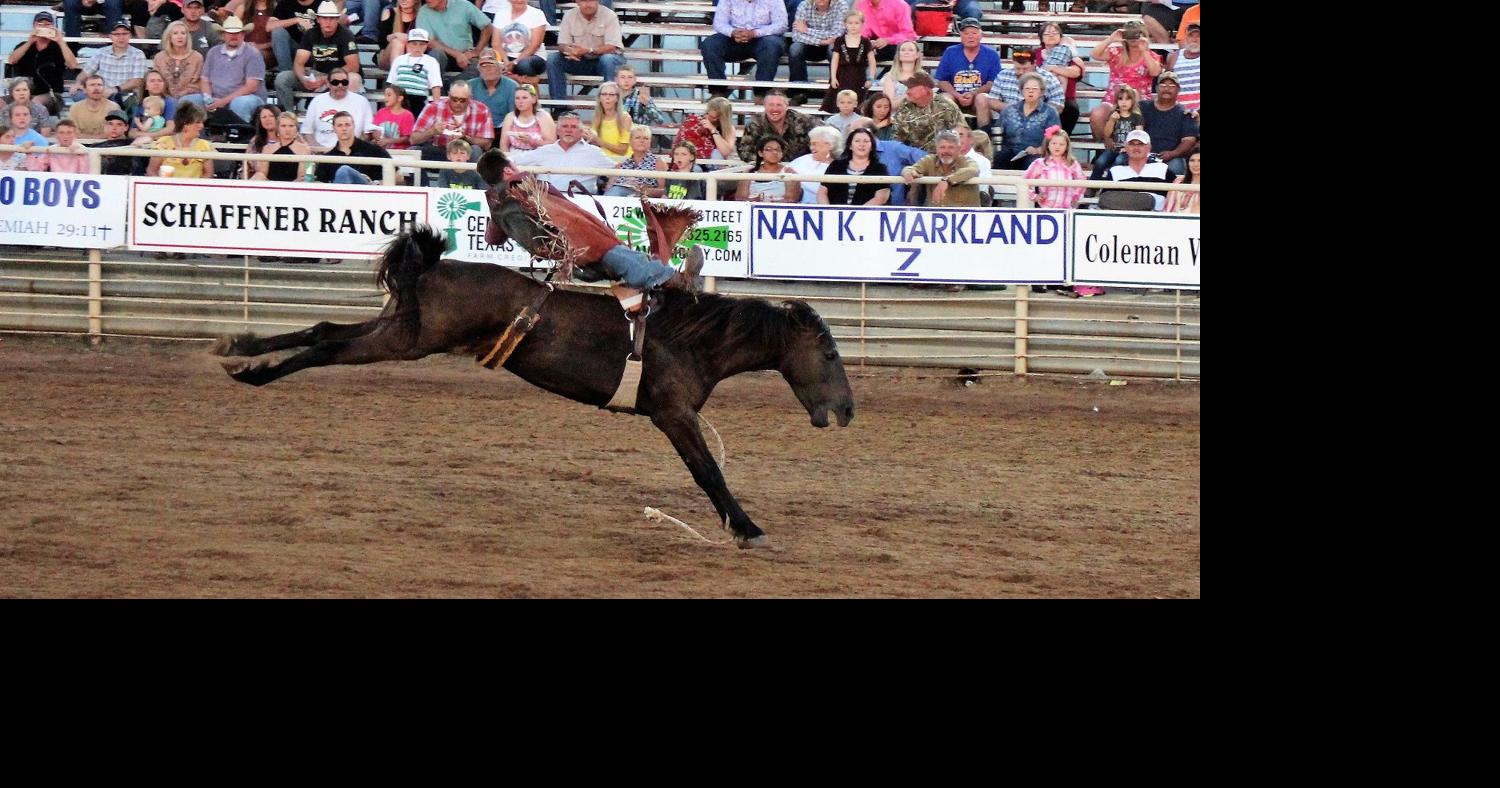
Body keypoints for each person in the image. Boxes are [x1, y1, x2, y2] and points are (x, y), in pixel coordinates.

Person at [481, 147, 704, 315]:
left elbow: (492, 240)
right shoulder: (529, 186)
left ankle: (643, 298)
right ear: (508, 170)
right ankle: (677, 281)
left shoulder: (497, 207)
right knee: (616, 252)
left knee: (619, 255)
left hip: (563, 257)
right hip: (581, 248)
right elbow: (564, 209)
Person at [1023, 125, 1094, 295]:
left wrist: (1075, 199)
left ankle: (1058, 280)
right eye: (1054, 143)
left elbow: (1081, 181)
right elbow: (1025, 182)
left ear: (1066, 146)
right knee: (1042, 247)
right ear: (1048, 144)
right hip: (1046, 211)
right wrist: (1035, 196)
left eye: (1061, 144)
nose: (1057, 147)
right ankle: (1038, 279)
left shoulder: (1072, 164)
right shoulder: (1040, 164)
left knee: (1062, 247)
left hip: (1065, 211)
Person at [276, 1, 361, 112]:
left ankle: (346, 117)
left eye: (332, 18)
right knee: (282, 78)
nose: (328, 22)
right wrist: (303, 78)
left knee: (353, 78)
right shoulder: (311, 34)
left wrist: (328, 78)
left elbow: (353, 66)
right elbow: (298, 63)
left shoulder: (346, 35)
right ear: (318, 19)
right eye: (324, 18)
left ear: (337, 20)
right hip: (318, 74)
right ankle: (287, 117)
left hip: (340, 75)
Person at [1087, 19, 1162, 146]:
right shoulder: (1116, 52)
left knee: (1134, 114)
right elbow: (1094, 54)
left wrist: (1144, 50)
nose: (1133, 37)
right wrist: (1111, 39)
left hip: (1139, 100)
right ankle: (1104, 147)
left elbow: (1155, 72)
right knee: (1097, 115)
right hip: (1114, 99)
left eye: (1137, 34)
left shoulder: (1151, 55)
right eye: (1130, 34)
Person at [507, 110, 613, 193]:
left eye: (574, 127)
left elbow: (617, 169)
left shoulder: (594, 153)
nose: (569, 130)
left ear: (581, 132)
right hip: (548, 201)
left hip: (583, 202)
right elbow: (512, 162)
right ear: (557, 131)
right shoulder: (544, 151)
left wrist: (610, 186)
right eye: (564, 126)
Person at [701, 0, 787, 101]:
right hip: (734, 37)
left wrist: (755, 33)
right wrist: (733, 32)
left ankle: (762, 93)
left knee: (772, 45)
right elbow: (719, 23)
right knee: (710, 44)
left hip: (763, 38)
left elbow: (781, 25)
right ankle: (718, 91)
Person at [186, 16, 266, 123]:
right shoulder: (213, 52)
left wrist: (223, 101)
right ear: (223, 35)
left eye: (237, 33)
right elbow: (205, 80)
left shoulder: (253, 54)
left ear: (243, 35)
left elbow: (251, 86)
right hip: (215, 97)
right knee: (187, 101)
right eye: (229, 33)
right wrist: (208, 99)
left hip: (247, 97)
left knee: (240, 103)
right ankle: (194, 136)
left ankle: (240, 136)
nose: (234, 36)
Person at [410, 79, 494, 177]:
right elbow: (413, 139)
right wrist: (432, 131)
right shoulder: (433, 107)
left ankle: (471, 185)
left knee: (476, 150)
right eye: (454, 99)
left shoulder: (482, 110)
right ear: (449, 95)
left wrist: (466, 138)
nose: (458, 103)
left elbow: (487, 143)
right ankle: (421, 187)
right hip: (440, 151)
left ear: (470, 98)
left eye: (462, 100)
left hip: (466, 153)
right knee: (413, 151)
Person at [546, 0, 625, 100]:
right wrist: (569, 50)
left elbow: (612, 46)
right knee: (553, 59)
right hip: (580, 60)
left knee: (608, 59)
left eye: (591, 0)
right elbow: (562, 44)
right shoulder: (569, 15)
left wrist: (589, 50)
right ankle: (559, 105)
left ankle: (610, 102)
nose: (588, 4)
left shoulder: (610, 15)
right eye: (584, 0)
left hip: (603, 62)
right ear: (577, 1)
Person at [6, 11, 79, 114]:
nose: (44, 27)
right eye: (40, 24)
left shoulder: (59, 47)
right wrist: (30, 41)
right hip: (23, 91)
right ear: (34, 26)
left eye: (47, 24)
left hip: (50, 94)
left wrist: (60, 41)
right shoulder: (24, 45)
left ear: (53, 27)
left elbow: (73, 65)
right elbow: (12, 60)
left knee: (36, 103)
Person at [975, 48, 1062, 130]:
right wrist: (1015, 109)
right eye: (1017, 68)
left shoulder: (1048, 78)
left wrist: (1034, 111)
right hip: (1007, 118)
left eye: (1025, 69)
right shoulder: (1003, 75)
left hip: (1038, 120)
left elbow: (1058, 105)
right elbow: (992, 100)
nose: (1021, 72)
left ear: (1034, 64)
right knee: (981, 98)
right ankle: (985, 138)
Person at [933, 17, 1000, 123]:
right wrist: (957, 95)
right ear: (960, 35)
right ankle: (947, 136)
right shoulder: (950, 52)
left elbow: (992, 83)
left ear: (981, 35)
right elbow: (942, 81)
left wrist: (973, 94)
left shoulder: (992, 54)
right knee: (945, 99)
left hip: (977, 97)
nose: (970, 36)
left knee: (983, 98)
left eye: (974, 33)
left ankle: (983, 135)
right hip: (954, 95)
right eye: (966, 33)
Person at [847, 116, 922, 204]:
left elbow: (927, 159)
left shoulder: (894, 148)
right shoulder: (846, 156)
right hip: (852, 210)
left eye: (854, 132)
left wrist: (910, 170)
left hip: (892, 211)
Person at [787, 0, 847, 107]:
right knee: (795, 48)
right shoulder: (804, 5)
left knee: (834, 49)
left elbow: (837, 34)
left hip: (832, 45)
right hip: (810, 45)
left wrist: (807, 30)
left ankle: (833, 91)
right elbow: (796, 35)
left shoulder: (841, 5)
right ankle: (799, 92)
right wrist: (821, 41)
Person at [994, 72, 1058, 170]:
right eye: (1027, 89)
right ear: (1022, 91)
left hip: (1036, 153)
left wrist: (1038, 150)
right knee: (1000, 157)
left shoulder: (1050, 112)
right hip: (1010, 152)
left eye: (1035, 89)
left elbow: (1055, 139)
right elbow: (998, 133)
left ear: (1041, 92)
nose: (1030, 92)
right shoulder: (1009, 110)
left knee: (1033, 162)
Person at [76, 21, 149, 106]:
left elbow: (137, 81)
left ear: (130, 35)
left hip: (124, 93)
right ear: (110, 36)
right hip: (102, 92)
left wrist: (115, 89)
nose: (121, 37)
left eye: (124, 34)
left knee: (121, 98)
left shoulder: (138, 54)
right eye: (117, 34)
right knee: (77, 95)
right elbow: (85, 73)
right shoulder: (102, 52)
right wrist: (78, 83)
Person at [901, 129, 980, 206]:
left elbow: (973, 170)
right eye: (942, 147)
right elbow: (910, 168)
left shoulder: (966, 161)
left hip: (964, 216)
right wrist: (908, 173)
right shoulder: (930, 160)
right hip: (933, 216)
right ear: (936, 149)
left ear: (958, 149)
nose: (946, 151)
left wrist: (947, 180)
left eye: (951, 147)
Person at [301, 67, 376, 147]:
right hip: (323, 153)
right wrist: (319, 152)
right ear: (328, 83)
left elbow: (368, 132)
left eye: (344, 82)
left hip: (353, 154)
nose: (340, 85)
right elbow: (307, 132)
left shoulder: (362, 102)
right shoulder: (317, 101)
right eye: (335, 82)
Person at [891, 71, 964, 153]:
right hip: (909, 155)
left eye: (910, 88)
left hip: (939, 156)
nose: (907, 92)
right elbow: (897, 137)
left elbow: (961, 134)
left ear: (925, 89)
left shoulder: (946, 106)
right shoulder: (905, 105)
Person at [1034, 20, 1085, 137]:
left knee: (1070, 110)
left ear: (1061, 37)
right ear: (1041, 38)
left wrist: (1052, 68)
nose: (1051, 35)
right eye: (1047, 33)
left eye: (1055, 33)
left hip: (1066, 100)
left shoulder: (1067, 52)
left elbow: (1075, 72)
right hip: (1041, 97)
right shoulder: (1035, 53)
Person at [1141, 71, 1198, 177]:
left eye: (1171, 85)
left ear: (1178, 90)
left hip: (1172, 157)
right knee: (1121, 160)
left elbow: (1189, 140)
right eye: (1163, 85)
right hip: (1141, 155)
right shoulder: (1142, 107)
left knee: (1175, 166)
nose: (1166, 89)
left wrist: (1173, 154)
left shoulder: (1185, 113)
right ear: (1156, 88)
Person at [415, 0, 493, 75]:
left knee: (479, 67)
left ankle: (451, 84)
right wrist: (457, 54)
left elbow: (487, 26)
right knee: (435, 55)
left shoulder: (463, 5)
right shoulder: (423, 11)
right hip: (442, 55)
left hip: (466, 55)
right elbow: (430, 42)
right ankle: (447, 84)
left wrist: (477, 50)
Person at [738, 90, 818, 162]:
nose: (775, 109)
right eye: (771, 105)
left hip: (800, 168)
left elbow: (821, 143)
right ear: (764, 106)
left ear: (787, 106)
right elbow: (745, 152)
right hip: (767, 169)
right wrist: (769, 161)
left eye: (779, 105)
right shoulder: (755, 124)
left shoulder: (805, 121)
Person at [316, 110, 393, 183]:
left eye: (347, 125)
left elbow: (398, 176)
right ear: (334, 129)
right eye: (339, 125)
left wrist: (376, 184)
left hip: (366, 194)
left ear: (353, 126)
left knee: (344, 170)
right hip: (339, 195)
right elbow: (320, 184)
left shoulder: (373, 150)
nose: (344, 128)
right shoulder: (328, 158)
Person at [822, 10, 876, 114]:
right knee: (841, 102)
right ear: (845, 24)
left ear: (862, 24)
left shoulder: (865, 41)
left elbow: (872, 62)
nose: (853, 26)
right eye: (850, 23)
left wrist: (871, 78)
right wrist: (833, 77)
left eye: (856, 23)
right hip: (842, 77)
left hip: (859, 77)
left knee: (858, 106)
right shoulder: (840, 40)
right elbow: (834, 60)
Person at [818, 126, 888, 205]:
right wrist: (829, 211)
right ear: (850, 146)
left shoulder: (880, 168)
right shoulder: (836, 165)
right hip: (835, 215)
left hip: (866, 215)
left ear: (872, 146)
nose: (862, 144)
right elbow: (822, 192)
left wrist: (856, 214)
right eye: (857, 141)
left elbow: (881, 197)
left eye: (866, 141)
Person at [1106, 128, 1171, 210]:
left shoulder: (1163, 169)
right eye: (1132, 144)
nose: (1136, 148)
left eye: (1141, 144)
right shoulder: (1114, 171)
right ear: (1126, 147)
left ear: (1149, 147)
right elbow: (1107, 200)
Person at [147, 101, 215, 179]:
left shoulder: (204, 146)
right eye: (198, 122)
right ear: (185, 124)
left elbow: (209, 174)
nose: (202, 126)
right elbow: (152, 171)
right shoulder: (163, 143)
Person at [388, 27, 444, 118]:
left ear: (426, 45)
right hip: (400, 100)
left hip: (419, 100)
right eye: (414, 44)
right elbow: (392, 84)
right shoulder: (399, 60)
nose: (418, 47)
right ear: (408, 44)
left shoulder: (431, 61)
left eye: (422, 44)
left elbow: (435, 86)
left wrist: (436, 108)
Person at [1090, 83, 1140, 179]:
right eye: (1120, 99)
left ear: (1132, 101)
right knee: (1100, 162)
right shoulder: (1114, 114)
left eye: (1127, 99)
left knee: (1118, 162)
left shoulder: (1136, 117)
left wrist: (1130, 146)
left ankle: (1108, 188)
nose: (1124, 102)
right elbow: (1107, 133)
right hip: (1114, 148)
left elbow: (1138, 134)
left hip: (1128, 151)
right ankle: (1092, 186)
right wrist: (1111, 121)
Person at [603, 124, 668, 197]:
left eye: (646, 138)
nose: (642, 141)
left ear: (650, 143)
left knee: (617, 190)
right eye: (638, 138)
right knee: (615, 190)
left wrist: (644, 190)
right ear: (630, 142)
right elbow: (608, 188)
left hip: (643, 199)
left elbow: (664, 191)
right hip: (620, 199)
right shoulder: (621, 166)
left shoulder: (658, 162)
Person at [735, 135, 802, 203]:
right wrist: (755, 201)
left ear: (782, 153)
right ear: (760, 153)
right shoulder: (749, 173)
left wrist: (772, 202)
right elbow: (741, 199)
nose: (774, 152)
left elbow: (791, 199)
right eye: (769, 149)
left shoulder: (789, 172)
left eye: (778, 150)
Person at [491, 0, 548, 79]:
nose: (519, 0)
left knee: (523, 65)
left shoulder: (537, 14)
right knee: (488, 64)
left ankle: (529, 89)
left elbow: (535, 45)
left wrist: (515, 62)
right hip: (506, 57)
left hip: (533, 57)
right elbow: (496, 44)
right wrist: (506, 62)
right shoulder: (500, 14)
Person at [470, 49, 518, 140]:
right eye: (483, 66)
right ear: (479, 69)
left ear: (501, 67)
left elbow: (514, 116)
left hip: (503, 132)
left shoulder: (512, 86)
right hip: (478, 133)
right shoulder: (470, 86)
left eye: (492, 65)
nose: (488, 69)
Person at [579, 81, 631, 162]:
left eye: (611, 95)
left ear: (617, 98)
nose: (607, 98)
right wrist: (586, 135)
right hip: (602, 160)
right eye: (604, 94)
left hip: (621, 161)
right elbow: (594, 143)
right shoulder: (596, 117)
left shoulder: (625, 118)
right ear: (599, 98)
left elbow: (623, 150)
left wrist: (598, 140)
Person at [155, 20, 206, 101]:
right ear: (169, 37)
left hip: (189, 99)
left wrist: (182, 94)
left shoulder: (197, 57)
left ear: (187, 37)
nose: (180, 36)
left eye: (183, 33)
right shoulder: (160, 57)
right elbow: (156, 80)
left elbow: (198, 83)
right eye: (175, 33)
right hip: (164, 98)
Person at [254, 110, 313, 180]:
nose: (287, 129)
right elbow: (262, 173)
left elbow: (305, 176)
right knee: (258, 175)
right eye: (283, 126)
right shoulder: (267, 149)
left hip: (295, 187)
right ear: (278, 128)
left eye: (291, 126)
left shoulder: (305, 149)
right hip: (270, 187)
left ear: (296, 128)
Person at [787, 125, 840, 204]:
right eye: (811, 144)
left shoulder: (837, 166)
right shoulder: (804, 159)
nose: (811, 148)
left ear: (829, 145)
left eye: (814, 144)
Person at [674, 96, 736, 161]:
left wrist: (713, 130)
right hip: (692, 159)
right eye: (707, 114)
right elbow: (682, 143)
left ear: (722, 118)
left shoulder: (729, 128)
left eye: (713, 117)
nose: (708, 118)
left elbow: (725, 152)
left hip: (713, 162)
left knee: (716, 154)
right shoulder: (693, 120)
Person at [499, 83, 555, 152]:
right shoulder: (510, 117)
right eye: (517, 98)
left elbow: (551, 143)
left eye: (524, 98)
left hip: (538, 155)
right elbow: (504, 144)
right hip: (514, 155)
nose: (520, 101)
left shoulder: (543, 116)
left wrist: (532, 141)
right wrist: (508, 159)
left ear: (533, 99)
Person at [613, 65, 670, 130]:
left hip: (638, 134)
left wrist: (646, 105)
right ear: (616, 80)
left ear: (635, 80)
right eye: (623, 77)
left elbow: (660, 120)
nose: (626, 80)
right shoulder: (611, 95)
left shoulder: (642, 96)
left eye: (630, 77)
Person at [132, 69, 179, 142]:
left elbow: (171, 129)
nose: (156, 83)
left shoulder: (170, 102)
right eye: (152, 81)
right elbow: (132, 132)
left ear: (164, 84)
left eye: (159, 81)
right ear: (146, 86)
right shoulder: (140, 104)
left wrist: (148, 136)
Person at [91, 110, 142, 175]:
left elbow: (147, 139)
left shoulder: (130, 142)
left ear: (126, 127)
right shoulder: (95, 146)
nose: (114, 128)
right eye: (110, 124)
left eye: (119, 124)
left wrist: (134, 144)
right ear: (105, 126)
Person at [375, 0, 421, 70]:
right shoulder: (389, 12)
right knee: (397, 42)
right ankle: (396, 76)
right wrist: (395, 35)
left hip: (413, 55)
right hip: (387, 56)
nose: (403, 0)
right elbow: (381, 43)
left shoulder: (422, 16)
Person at [1166, 21, 1200, 115]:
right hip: (1179, 113)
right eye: (1191, 36)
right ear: (1186, 38)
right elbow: (1167, 85)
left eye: (1198, 36)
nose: (1194, 39)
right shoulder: (1173, 57)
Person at [953, 124, 990, 205]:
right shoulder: (943, 159)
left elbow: (981, 192)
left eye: (961, 135)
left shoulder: (982, 161)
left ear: (971, 140)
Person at [877, 39, 920, 107]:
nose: (906, 52)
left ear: (917, 55)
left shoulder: (923, 76)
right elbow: (890, 105)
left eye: (911, 50)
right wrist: (908, 95)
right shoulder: (890, 77)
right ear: (898, 55)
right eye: (903, 50)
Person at [373, 84, 417, 150]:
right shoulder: (381, 112)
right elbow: (374, 129)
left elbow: (407, 138)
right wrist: (376, 135)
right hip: (381, 151)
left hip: (400, 152)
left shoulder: (407, 115)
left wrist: (388, 141)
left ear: (399, 98)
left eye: (389, 95)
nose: (385, 98)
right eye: (385, 95)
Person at [243, 102, 281, 177]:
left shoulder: (290, 137)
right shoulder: (255, 140)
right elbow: (250, 164)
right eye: (264, 117)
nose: (268, 119)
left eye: (271, 116)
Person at [64, 0, 128, 38]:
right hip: (81, 4)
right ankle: (72, 44)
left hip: (106, 4)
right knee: (70, 2)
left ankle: (115, 40)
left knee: (113, 2)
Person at [1162, 145, 1198, 213]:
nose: (1195, 164)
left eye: (1199, 161)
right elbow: (1169, 210)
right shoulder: (1178, 182)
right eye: (1192, 160)